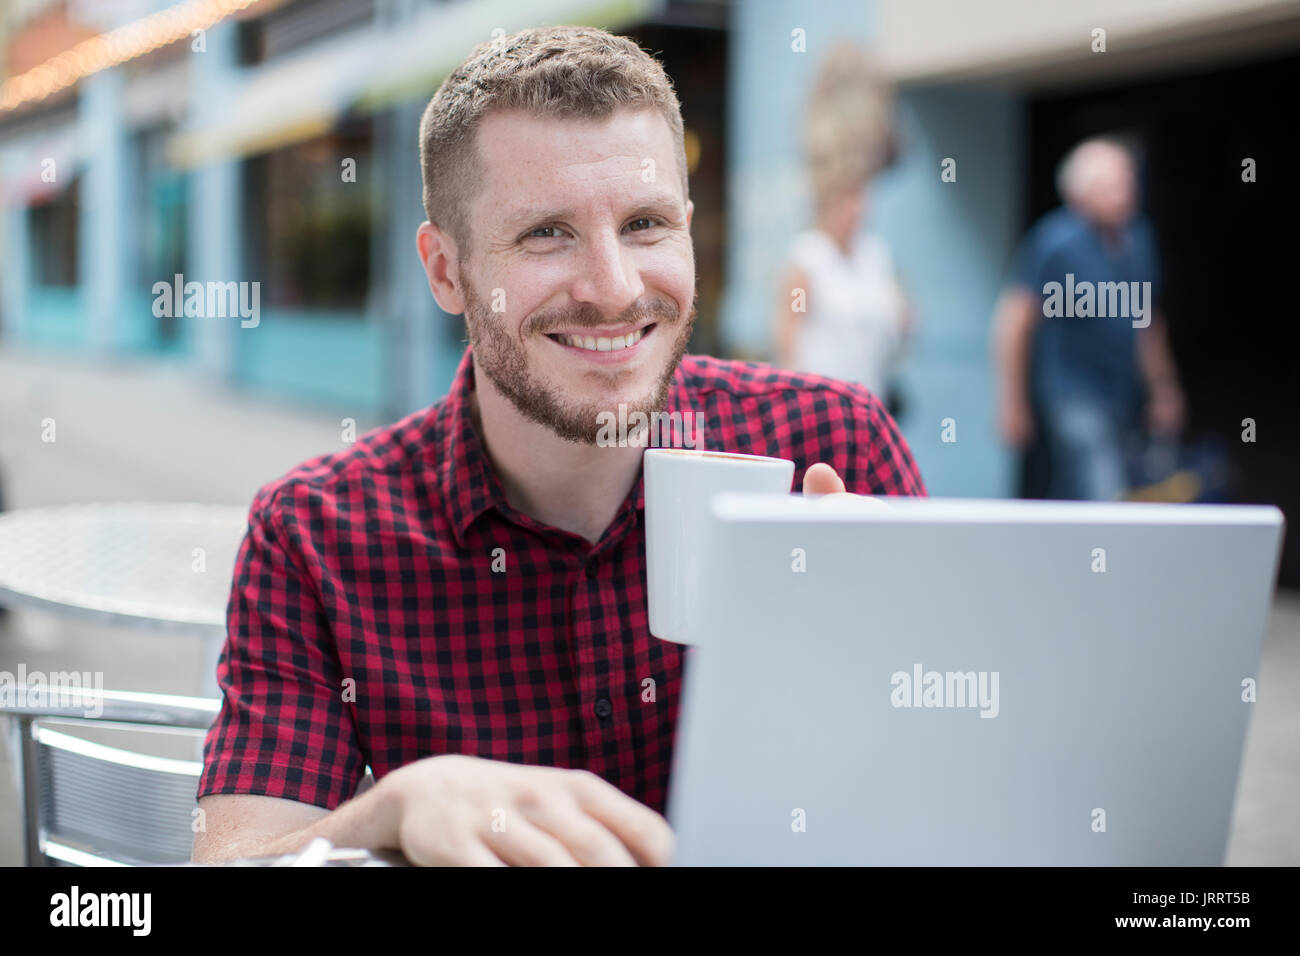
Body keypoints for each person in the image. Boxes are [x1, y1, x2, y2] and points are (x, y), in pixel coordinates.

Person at [193, 25, 926, 868]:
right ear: (446, 271)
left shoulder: (834, 448)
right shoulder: (315, 534)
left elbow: (978, 792)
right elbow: (233, 858)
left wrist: (883, 678)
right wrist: (391, 810)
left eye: (645, 224)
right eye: (546, 232)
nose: (613, 289)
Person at [993, 137, 1185, 500]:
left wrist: (1163, 388)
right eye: (1109, 185)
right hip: (1071, 395)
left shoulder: (1138, 240)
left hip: (1121, 396)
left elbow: (1146, 322)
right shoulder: (1055, 242)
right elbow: (1015, 322)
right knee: (1103, 489)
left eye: (1126, 183)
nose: (1122, 194)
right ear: (1078, 193)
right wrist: (1012, 401)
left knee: (1077, 491)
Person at [775, 178, 912, 409]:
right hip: (819, 402)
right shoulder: (806, 257)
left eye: (860, 199)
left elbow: (902, 315)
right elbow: (789, 328)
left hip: (869, 398)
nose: (855, 209)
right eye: (847, 200)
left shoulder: (876, 255)